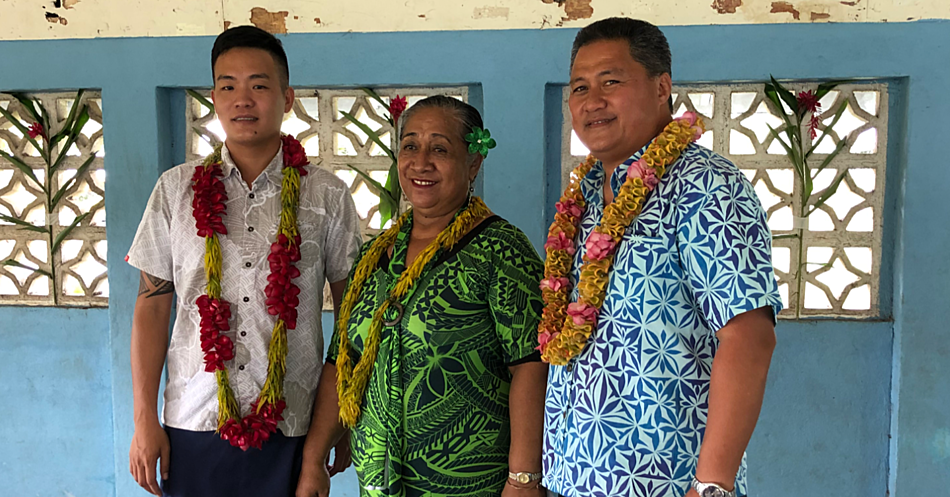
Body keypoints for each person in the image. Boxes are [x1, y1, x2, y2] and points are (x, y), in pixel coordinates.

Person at [538, 18, 783, 497]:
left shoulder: (704, 186)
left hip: (664, 484)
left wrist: (711, 486)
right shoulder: (584, 194)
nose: (592, 101)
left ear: (661, 87)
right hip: (571, 477)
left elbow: (749, 337)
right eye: (580, 87)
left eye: (611, 81)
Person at [126, 25, 360, 497]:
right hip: (193, 421)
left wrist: (341, 420)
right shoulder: (176, 190)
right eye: (228, 86)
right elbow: (152, 306)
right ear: (214, 97)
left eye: (259, 84)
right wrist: (144, 420)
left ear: (287, 97)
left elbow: (352, 318)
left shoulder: (327, 196)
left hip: (295, 424)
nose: (242, 99)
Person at [296, 96, 548, 497]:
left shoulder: (501, 250)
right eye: (410, 146)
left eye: (440, 148)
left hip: (473, 486)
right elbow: (343, 361)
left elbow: (531, 364)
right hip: (379, 486)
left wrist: (523, 479)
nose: (421, 162)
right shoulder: (374, 256)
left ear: (474, 162)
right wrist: (314, 459)